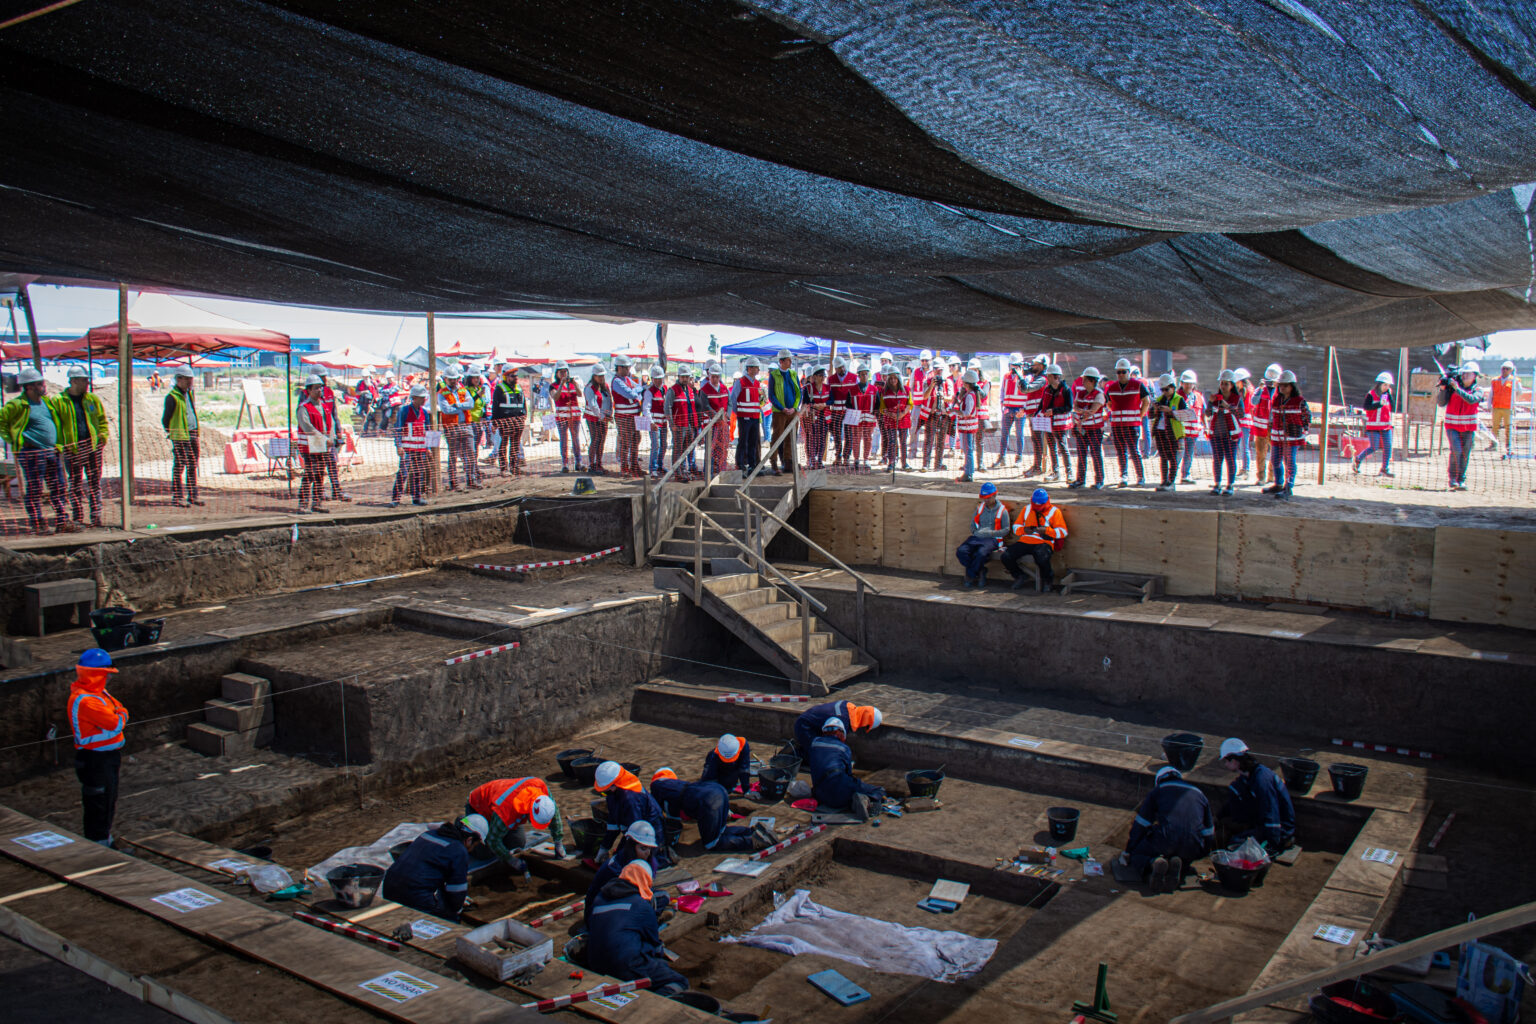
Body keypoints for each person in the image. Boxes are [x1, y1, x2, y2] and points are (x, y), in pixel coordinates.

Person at [585, 859, 689, 997]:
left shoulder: (599, 899)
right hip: (624, 965)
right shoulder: (641, 906)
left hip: (593, 962)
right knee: (679, 981)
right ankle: (653, 1002)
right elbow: (654, 945)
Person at [1, 367, 78, 534]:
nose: (43, 386)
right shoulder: (17, 405)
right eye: (39, 384)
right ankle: (38, 523)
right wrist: (14, 440)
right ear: (28, 387)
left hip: (51, 452)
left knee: (58, 487)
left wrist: (57, 444)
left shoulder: (47, 402)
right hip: (32, 453)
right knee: (35, 488)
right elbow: (2, 424)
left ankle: (62, 520)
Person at [68, 648, 128, 847]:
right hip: (95, 760)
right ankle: (99, 845)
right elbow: (116, 722)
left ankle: (105, 840)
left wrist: (119, 713)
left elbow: (118, 708)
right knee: (98, 803)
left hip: (107, 757)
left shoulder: (99, 694)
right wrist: (120, 715)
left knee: (108, 799)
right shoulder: (87, 700)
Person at [1120, 766, 1213, 890]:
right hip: (1192, 844)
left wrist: (1129, 851)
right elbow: (1209, 831)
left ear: (1158, 780)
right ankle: (1181, 864)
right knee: (1183, 855)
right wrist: (1201, 853)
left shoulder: (1158, 791)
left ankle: (1153, 863)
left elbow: (1141, 824)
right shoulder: (1200, 794)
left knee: (1137, 854)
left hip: (1166, 840)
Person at [381, 815, 487, 922]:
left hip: (389, 887)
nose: (471, 850)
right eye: (474, 846)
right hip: (414, 894)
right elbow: (456, 892)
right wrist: (457, 909)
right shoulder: (459, 850)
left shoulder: (429, 834)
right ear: (469, 840)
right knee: (449, 920)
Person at [650, 769, 775, 853]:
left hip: (709, 802)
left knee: (712, 843)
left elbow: (673, 821)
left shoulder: (659, 793)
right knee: (722, 830)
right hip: (718, 790)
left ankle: (751, 842)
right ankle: (753, 831)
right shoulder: (672, 784)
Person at [1217, 738, 1296, 855]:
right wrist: (1218, 816)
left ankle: (1283, 841)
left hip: (1280, 829)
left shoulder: (1262, 780)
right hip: (1263, 823)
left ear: (1234, 761)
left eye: (1226, 761)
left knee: (1235, 845)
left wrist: (1272, 843)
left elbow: (1271, 813)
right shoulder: (1247, 776)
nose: (1225, 764)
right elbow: (1234, 800)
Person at [465, 776, 564, 869]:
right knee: (486, 853)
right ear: (529, 812)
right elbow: (493, 840)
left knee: (517, 842)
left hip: (498, 805)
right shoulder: (507, 811)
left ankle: (500, 835)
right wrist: (510, 860)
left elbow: (555, 816)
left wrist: (558, 841)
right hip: (478, 807)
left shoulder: (542, 791)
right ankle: (463, 825)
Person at [583, 820, 668, 926]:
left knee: (663, 897)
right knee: (645, 905)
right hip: (603, 911)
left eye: (649, 849)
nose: (647, 853)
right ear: (631, 847)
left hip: (624, 904)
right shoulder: (615, 868)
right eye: (643, 848)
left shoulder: (650, 862)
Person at [56, 367, 110, 527]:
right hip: (72, 450)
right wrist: (61, 445)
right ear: (73, 381)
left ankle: (96, 515)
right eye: (84, 380)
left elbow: (101, 420)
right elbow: (56, 425)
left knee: (94, 482)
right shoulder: (59, 401)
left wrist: (103, 437)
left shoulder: (92, 399)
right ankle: (78, 515)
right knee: (75, 483)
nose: (87, 383)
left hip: (92, 448)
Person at [593, 761, 669, 864]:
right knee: (621, 857)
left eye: (604, 790)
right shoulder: (613, 793)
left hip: (650, 830)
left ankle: (661, 857)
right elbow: (613, 824)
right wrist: (604, 848)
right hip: (634, 826)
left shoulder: (631, 799)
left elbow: (636, 833)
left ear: (613, 786)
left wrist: (624, 851)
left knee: (641, 861)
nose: (604, 793)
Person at [809, 719, 885, 820]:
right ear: (840, 733)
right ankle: (864, 801)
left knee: (837, 786)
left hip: (820, 795)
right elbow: (848, 775)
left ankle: (854, 801)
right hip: (840, 795)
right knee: (878, 790)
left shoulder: (814, 743)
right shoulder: (843, 748)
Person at [1001, 487, 1068, 592]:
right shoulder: (1026, 509)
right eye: (1035, 505)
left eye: (1040, 506)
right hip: (1025, 540)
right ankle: (1020, 576)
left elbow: (1063, 532)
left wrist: (1046, 531)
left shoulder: (1055, 512)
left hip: (1044, 542)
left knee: (1041, 557)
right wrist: (1024, 530)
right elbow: (1015, 528)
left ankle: (1048, 581)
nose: (1037, 508)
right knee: (1006, 556)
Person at [956, 481, 1010, 587]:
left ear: (994, 495)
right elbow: (972, 526)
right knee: (961, 551)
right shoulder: (979, 508)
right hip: (977, 537)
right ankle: (980, 571)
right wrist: (977, 533)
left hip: (992, 539)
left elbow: (1006, 529)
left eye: (988, 498)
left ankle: (970, 575)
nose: (986, 500)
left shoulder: (1002, 511)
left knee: (980, 554)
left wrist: (991, 533)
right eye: (984, 498)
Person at [163, 370, 204, 507]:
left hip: (192, 434)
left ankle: (193, 496)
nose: (190, 382)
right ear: (179, 379)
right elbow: (166, 419)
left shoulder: (189, 395)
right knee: (180, 466)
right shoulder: (172, 398)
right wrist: (174, 432)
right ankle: (178, 496)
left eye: (191, 379)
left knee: (192, 466)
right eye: (187, 380)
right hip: (180, 436)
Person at [1104, 358, 1149, 487]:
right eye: (1119, 372)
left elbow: (1146, 401)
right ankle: (1124, 476)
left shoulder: (1138, 385)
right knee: (1121, 451)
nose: (1121, 375)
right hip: (1117, 425)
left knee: (1134, 451)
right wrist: (1115, 413)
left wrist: (1139, 415)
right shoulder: (1112, 387)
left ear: (1129, 372)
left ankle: (1140, 476)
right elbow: (1108, 403)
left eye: (1123, 372)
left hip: (1132, 425)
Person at [1439, 361, 1484, 490]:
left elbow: (1471, 400)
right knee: (1456, 450)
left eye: (1467, 374)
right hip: (1452, 426)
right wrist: (1443, 390)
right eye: (1463, 373)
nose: (1464, 376)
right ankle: (1452, 478)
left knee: (1465, 453)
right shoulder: (1452, 388)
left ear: (1474, 376)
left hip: (1468, 428)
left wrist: (1457, 389)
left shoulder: (1478, 391)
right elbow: (1441, 403)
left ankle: (1461, 480)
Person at [1267, 370, 1310, 499]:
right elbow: (1272, 416)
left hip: (1292, 437)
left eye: (1285, 385)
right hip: (1277, 436)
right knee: (1275, 460)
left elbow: (1307, 417)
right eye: (1281, 385)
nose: (1282, 388)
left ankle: (1289, 486)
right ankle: (1279, 484)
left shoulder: (1300, 401)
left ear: (1292, 386)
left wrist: (1303, 430)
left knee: (1289, 461)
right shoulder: (1277, 400)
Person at [295, 375, 333, 514]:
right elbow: (307, 427)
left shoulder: (324, 407)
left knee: (319, 474)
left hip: (321, 445)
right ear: (309, 390)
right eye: (316, 388)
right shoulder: (304, 408)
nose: (320, 390)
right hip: (309, 446)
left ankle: (317, 502)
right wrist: (324, 439)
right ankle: (303, 503)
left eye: (320, 387)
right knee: (310, 473)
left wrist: (331, 439)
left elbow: (331, 423)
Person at [792, 699, 883, 757]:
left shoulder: (847, 706)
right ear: (865, 721)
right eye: (866, 726)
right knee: (820, 754)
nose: (863, 728)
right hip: (805, 728)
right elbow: (833, 746)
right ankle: (796, 755)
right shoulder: (842, 721)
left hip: (808, 722)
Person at [436, 367, 478, 491]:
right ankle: (453, 482)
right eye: (451, 379)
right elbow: (446, 410)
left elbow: (471, 404)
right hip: (451, 427)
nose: (454, 381)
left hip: (466, 425)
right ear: (445, 379)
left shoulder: (463, 390)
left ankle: (471, 480)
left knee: (471, 453)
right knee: (453, 455)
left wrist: (457, 405)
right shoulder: (442, 393)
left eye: (455, 379)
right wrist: (463, 407)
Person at [389, 385, 431, 507]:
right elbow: (398, 428)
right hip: (407, 448)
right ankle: (396, 498)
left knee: (418, 472)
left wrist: (428, 448)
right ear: (414, 398)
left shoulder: (424, 413)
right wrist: (399, 446)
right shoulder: (404, 411)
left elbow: (427, 431)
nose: (424, 400)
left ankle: (417, 498)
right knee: (403, 472)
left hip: (420, 448)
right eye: (421, 398)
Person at [1206, 370, 1243, 496]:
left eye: (1226, 384)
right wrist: (1210, 402)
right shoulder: (1215, 398)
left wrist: (1228, 406)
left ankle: (1230, 485)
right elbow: (1207, 414)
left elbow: (1241, 414)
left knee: (1230, 459)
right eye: (1222, 383)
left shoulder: (1237, 399)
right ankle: (1217, 484)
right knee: (1217, 460)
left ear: (1232, 385)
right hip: (1216, 434)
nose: (1223, 386)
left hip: (1231, 435)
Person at [315, 371, 351, 502]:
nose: (325, 379)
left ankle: (336, 491)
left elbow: (334, 413)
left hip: (329, 433)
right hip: (317, 434)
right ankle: (319, 491)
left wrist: (338, 430)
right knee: (319, 465)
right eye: (322, 376)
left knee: (332, 463)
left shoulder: (329, 392)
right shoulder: (306, 394)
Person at [1149, 373, 1187, 491]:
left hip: (1174, 434)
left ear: (1173, 387)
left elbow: (1185, 415)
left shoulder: (1179, 400)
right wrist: (1155, 409)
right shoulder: (1159, 400)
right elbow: (1150, 415)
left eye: (1166, 389)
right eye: (1162, 389)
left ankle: (1171, 482)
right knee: (1163, 458)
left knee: (1173, 458)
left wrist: (1170, 412)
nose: (1164, 392)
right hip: (1160, 432)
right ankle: (1164, 480)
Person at [1070, 366, 1107, 489]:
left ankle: (1099, 480)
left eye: (1085, 379)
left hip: (1095, 429)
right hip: (1082, 429)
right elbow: (1075, 407)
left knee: (1096, 454)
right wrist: (1082, 411)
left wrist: (1081, 411)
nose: (1083, 382)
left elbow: (1092, 410)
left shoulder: (1099, 395)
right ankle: (1080, 480)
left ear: (1092, 381)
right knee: (1081, 454)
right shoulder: (1080, 393)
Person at [767, 348, 802, 476]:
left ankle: (788, 462)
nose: (790, 362)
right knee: (777, 437)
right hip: (779, 412)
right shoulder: (774, 375)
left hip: (792, 411)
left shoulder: (793, 374)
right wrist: (782, 408)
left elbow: (799, 393)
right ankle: (774, 463)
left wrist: (794, 407)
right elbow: (771, 395)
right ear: (781, 361)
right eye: (788, 360)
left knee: (791, 438)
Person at [664, 365, 701, 481]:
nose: (685, 379)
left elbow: (693, 408)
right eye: (683, 377)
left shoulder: (690, 391)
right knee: (678, 449)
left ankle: (684, 470)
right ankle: (677, 472)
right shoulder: (673, 390)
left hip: (690, 425)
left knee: (686, 449)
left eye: (687, 377)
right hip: (679, 425)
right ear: (678, 377)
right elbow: (667, 408)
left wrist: (695, 425)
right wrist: (672, 424)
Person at [991, 353, 1029, 468]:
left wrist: (1023, 409)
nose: (1013, 368)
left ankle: (1019, 457)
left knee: (1019, 435)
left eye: (1016, 365)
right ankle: (1002, 457)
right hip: (1008, 408)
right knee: (1004, 434)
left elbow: (1028, 393)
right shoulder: (1006, 376)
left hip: (1019, 410)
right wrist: (1002, 405)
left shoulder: (1025, 377)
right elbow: (1002, 391)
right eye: (1012, 365)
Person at [1354, 372, 1395, 477]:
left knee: (1388, 446)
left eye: (1388, 385)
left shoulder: (1388, 395)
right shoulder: (1371, 394)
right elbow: (1366, 407)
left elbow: (1393, 408)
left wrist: (1390, 396)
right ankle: (1358, 459)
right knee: (1374, 447)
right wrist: (1378, 404)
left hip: (1386, 426)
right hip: (1373, 426)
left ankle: (1385, 468)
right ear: (1379, 384)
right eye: (1385, 385)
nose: (1387, 387)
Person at [730, 356, 766, 473]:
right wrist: (739, 413)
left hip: (755, 418)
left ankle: (752, 465)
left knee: (753, 442)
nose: (758, 370)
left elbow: (759, 400)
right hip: (744, 418)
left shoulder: (757, 383)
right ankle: (740, 465)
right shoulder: (740, 382)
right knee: (743, 441)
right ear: (749, 368)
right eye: (756, 368)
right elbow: (733, 399)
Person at [490, 364, 528, 475]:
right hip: (505, 421)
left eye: (516, 376)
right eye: (512, 376)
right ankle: (503, 468)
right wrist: (495, 422)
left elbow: (523, 404)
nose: (515, 378)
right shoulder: (500, 388)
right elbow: (495, 407)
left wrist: (524, 416)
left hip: (518, 421)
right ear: (506, 376)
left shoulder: (518, 388)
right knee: (504, 443)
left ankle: (514, 466)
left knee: (515, 444)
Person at [610, 355, 644, 477]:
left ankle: (634, 466)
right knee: (625, 442)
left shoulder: (627, 380)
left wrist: (637, 391)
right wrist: (637, 391)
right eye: (626, 368)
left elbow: (638, 390)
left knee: (636, 439)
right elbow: (630, 394)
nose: (628, 370)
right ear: (619, 368)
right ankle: (625, 468)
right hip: (624, 417)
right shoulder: (617, 381)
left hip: (634, 415)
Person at [1038, 364, 1073, 482]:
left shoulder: (1066, 390)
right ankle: (1055, 472)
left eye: (1049, 376)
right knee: (1052, 448)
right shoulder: (1047, 390)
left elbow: (1069, 407)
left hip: (1061, 424)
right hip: (1049, 424)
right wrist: (1038, 413)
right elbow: (1042, 403)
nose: (1047, 378)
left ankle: (1069, 473)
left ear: (1055, 376)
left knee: (1063, 447)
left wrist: (1054, 411)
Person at [1250, 364, 1281, 487]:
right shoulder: (1260, 390)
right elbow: (1253, 401)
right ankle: (1261, 477)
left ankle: (1271, 476)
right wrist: (1261, 389)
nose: (1271, 383)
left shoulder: (1280, 392)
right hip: (1261, 427)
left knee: (1275, 453)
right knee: (1261, 453)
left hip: (1274, 427)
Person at [551, 361, 585, 473]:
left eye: (565, 371)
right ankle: (565, 463)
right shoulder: (553, 386)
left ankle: (578, 462)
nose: (563, 374)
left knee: (576, 439)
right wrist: (561, 384)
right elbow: (555, 397)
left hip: (574, 416)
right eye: (561, 372)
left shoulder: (572, 384)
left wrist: (574, 383)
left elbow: (580, 394)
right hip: (562, 416)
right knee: (564, 439)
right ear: (556, 373)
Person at [699, 362, 732, 477]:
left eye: (717, 376)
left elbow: (730, 403)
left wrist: (727, 414)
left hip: (724, 424)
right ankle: (708, 471)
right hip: (711, 425)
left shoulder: (724, 388)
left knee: (723, 447)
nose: (715, 379)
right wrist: (717, 416)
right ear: (709, 376)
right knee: (711, 448)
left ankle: (721, 469)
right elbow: (705, 406)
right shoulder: (704, 390)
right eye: (713, 376)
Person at [919, 361, 953, 471]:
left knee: (941, 441)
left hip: (943, 414)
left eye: (941, 370)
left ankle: (938, 464)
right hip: (931, 414)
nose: (939, 372)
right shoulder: (927, 381)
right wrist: (932, 385)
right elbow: (924, 396)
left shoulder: (948, 382)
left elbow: (951, 397)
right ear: (933, 370)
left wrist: (943, 396)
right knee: (928, 439)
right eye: (937, 369)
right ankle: (926, 464)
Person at [1021, 353, 1051, 475]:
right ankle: (1037, 465)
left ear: (1043, 366)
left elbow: (1028, 388)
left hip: (1040, 414)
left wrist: (1022, 379)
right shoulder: (1035, 378)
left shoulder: (1042, 379)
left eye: (1036, 364)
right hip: (1034, 414)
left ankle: (1039, 466)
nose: (1033, 366)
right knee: (1036, 439)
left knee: (1039, 440)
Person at [952, 368, 982, 482]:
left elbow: (967, 413)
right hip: (967, 427)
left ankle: (969, 473)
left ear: (967, 383)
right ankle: (968, 470)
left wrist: (955, 412)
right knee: (967, 449)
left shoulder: (970, 396)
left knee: (968, 449)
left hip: (967, 427)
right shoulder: (970, 394)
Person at [583, 364, 614, 474]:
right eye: (599, 376)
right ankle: (592, 464)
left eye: (602, 376)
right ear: (594, 376)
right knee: (595, 439)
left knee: (602, 440)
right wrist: (601, 416)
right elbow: (592, 404)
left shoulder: (605, 386)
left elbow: (609, 400)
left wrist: (609, 413)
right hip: (592, 417)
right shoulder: (589, 388)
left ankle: (599, 463)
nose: (601, 378)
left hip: (603, 418)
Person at [1489, 361, 1524, 456]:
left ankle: (1508, 446)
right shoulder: (1495, 380)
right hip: (1496, 407)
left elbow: (1519, 392)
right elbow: (1491, 393)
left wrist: (1513, 401)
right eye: (1503, 368)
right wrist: (1489, 404)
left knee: (1508, 427)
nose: (1504, 370)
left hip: (1508, 407)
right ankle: (1493, 444)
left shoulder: (1515, 380)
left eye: (1507, 369)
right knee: (1495, 427)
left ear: (1511, 370)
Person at [1177, 370, 1204, 484]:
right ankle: (1172, 475)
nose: (1188, 386)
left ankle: (1185, 475)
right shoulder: (1177, 396)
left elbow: (1202, 412)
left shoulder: (1199, 396)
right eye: (1186, 383)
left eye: (1190, 383)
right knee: (1178, 453)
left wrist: (1205, 426)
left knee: (1189, 454)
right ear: (1181, 383)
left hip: (1193, 432)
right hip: (1180, 433)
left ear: (1194, 384)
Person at [643, 365, 669, 477]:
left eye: (660, 378)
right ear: (652, 379)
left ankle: (660, 465)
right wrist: (651, 422)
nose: (659, 381)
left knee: (664, 445)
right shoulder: (649, 391)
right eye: (656, 379)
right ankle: (653, 468)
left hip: (663, 423)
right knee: (656, 445)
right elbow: (646, 408)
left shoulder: (665, 389)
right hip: (655, 424)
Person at [802, 366, 830, 470]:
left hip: (824, 416)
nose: (823, 378)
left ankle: (820, 460)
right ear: (815, 376)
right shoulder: (808, 388)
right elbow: (805, 401)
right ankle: (812, 459)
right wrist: (813, 406)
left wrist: (825, 404)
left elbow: (831, 400)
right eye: (820, 376)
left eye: (824, 376)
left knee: (822, 438)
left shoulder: (828, 388)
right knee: (812, 439)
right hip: (811, 417)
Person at [1233, 368, 1254, 479]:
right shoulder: (1249, 390)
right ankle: (1244, 469)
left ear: (1241, 381)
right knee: (1243, 447)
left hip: (1243, 422)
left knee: (1244, 447)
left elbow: (1245, 408)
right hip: (1243, 422)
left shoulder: (1246, 392)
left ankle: (1246, 470)